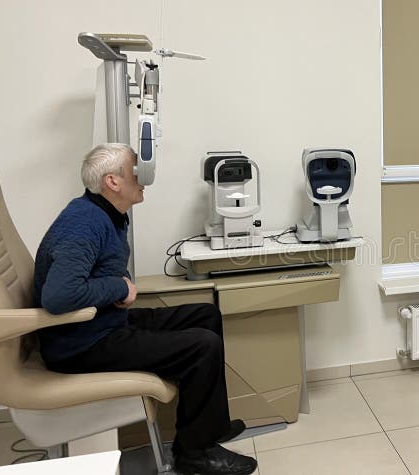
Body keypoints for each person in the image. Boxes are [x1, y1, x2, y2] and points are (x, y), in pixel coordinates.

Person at [33, 143, 257, 475]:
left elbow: (100, 265)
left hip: (104, 323)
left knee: (205, 314)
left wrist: (118, 280)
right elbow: (59, 295)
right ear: (112, 182)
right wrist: (120, 287)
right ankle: (194, 453)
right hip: (82, 345)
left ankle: (210, 425)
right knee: (201, 345)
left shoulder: (105, 214)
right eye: (135, 170)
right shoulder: (84, 222)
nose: (143, 177)